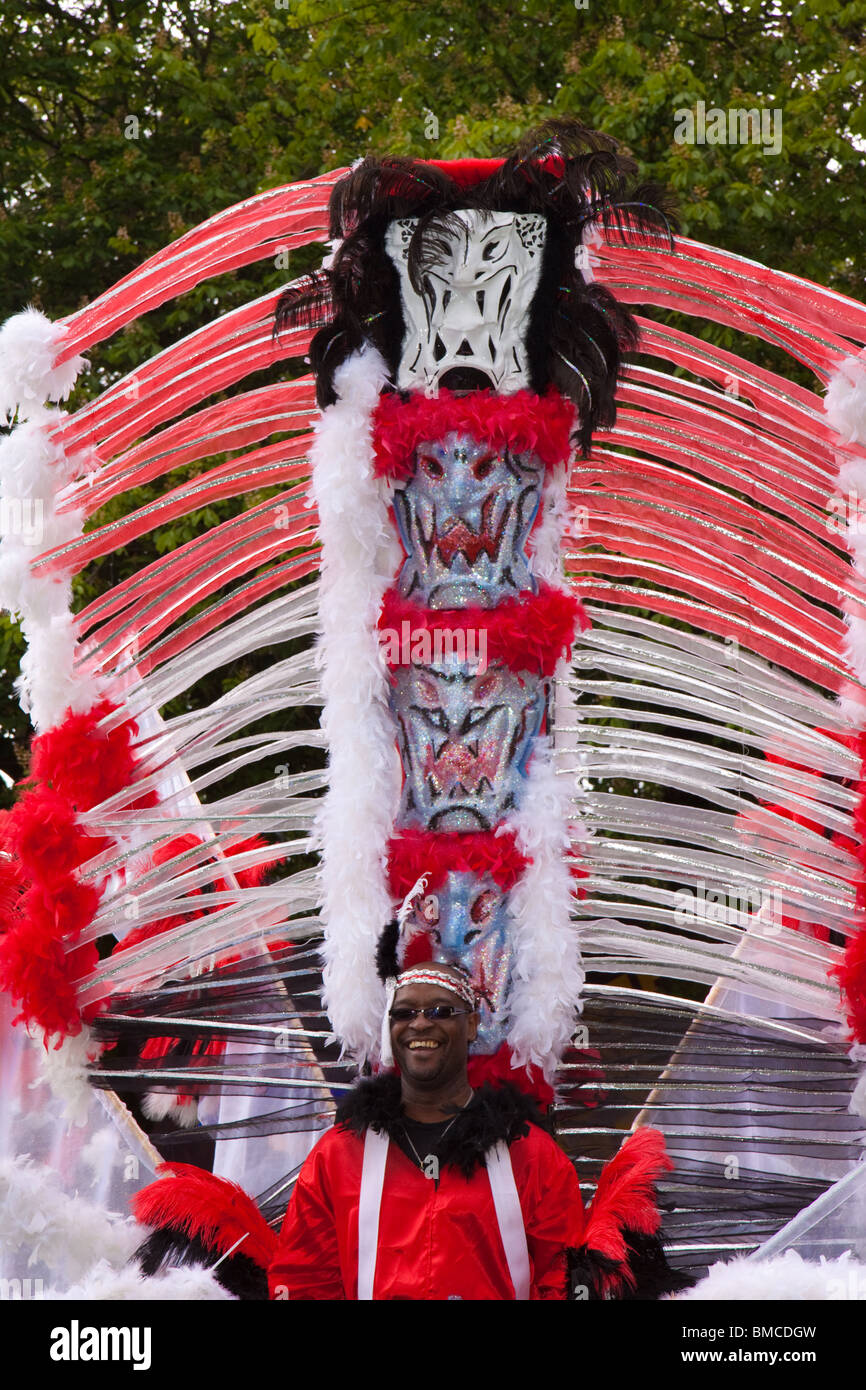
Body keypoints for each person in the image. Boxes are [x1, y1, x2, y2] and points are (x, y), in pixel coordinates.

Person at [267, 962, 587, 1300]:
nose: (420, 1023)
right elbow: (304, 1279)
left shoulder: (531, 1154)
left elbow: (563, 1280)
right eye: (404, 1013)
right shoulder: (339, 1153)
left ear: (472, 1025)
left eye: (440, 1011)